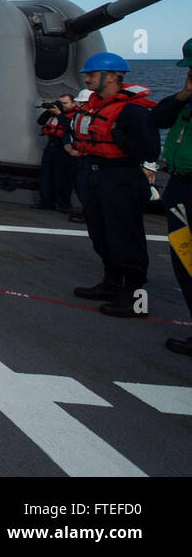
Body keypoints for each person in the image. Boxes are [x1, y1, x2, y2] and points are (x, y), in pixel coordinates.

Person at [69, 52, 160, 317]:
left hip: (121, 178)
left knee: (125, 236)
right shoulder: (94, 105)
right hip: (95, 174)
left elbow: (150, 150)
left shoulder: (132, 111)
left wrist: (120, 137)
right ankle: (111, 283)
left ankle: (134, 297)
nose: (86, 78)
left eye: (91, 74)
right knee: (101, 233)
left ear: (111, 77)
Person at [152, 39, 192, 353]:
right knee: (185, 260)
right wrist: (184, 94)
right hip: (180, 188)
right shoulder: (185, 103)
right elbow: (157, 118)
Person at [36, 93, 78, 212]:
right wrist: (49, 110)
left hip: (64, 148)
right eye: (60, 103)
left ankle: (64, 204)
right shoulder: (53, 115)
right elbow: (40, 121)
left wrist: (59, 114)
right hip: (51, 146)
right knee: (46, 175)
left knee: (63, 177)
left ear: (73, 104)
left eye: (65, 103)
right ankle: (46, 201)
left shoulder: (74, 115)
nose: (62, 105)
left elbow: (70, 127)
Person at [66, 87, 93, 223]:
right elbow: (72, 131)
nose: (81, 105)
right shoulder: (79, 116)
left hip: (91, 157)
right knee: (80, 184)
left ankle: (90, 213)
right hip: (81, 155)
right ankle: (87, 211)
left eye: (83, 102)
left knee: (87, 185)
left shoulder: (96, 116)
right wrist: (71, 147)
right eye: (80, 103)